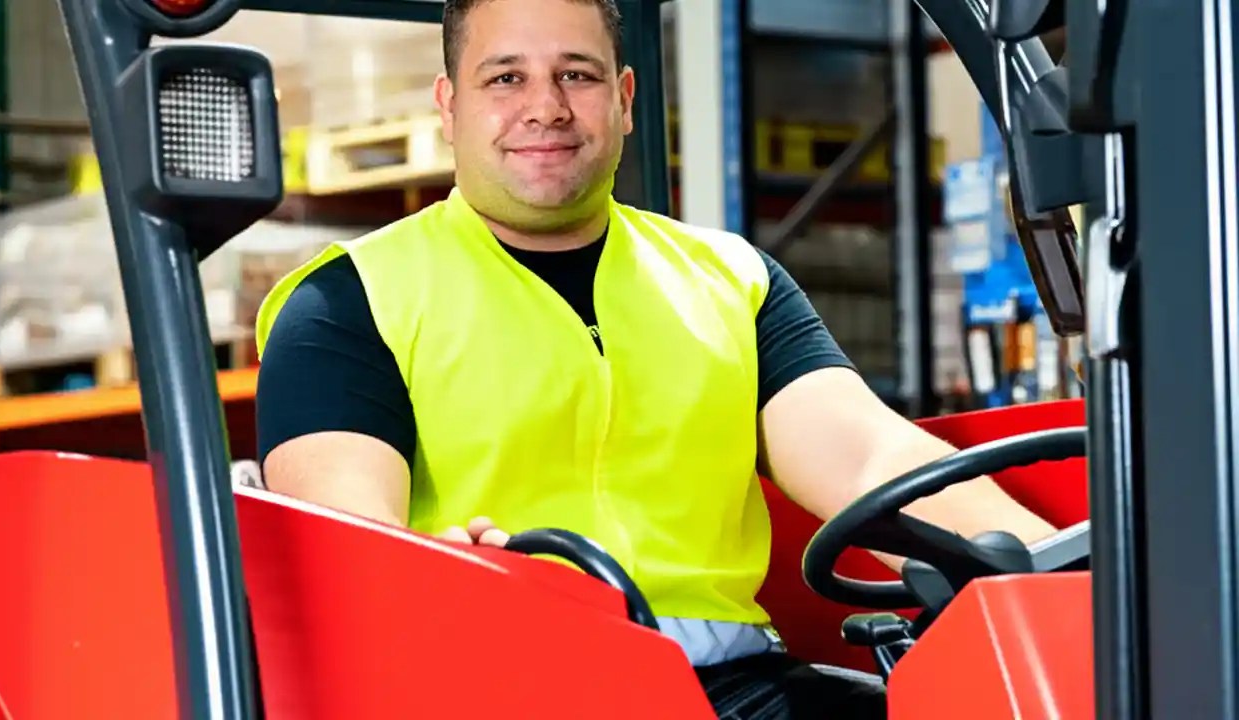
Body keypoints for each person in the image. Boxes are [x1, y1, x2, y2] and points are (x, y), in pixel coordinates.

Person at [252, 0, 1058, 715]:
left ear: (626, 100)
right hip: (501, 689)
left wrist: (1055, 573)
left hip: (739, 687)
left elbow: (868, 459)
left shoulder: (730, 279)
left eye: (577, 74)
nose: (545, 107)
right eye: (505, 79)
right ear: (448, 105)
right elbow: (348, 549)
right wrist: (448, 588)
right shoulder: (345, 303)